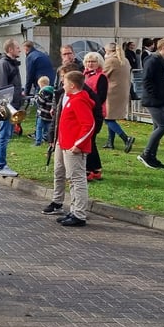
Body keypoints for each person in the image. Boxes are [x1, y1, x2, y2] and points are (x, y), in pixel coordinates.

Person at [43, 69, 95, 227]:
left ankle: (79, 214)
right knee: (70, 178)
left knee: (76, 179)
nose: (62, 85)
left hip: (74, 146)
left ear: (72, 85)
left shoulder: (79, 100)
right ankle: (74, 210)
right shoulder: (73, 98)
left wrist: (78, 144)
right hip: (65, 143)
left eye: (64, 83)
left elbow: (88, 124)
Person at [138, 38, 164, 169]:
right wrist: (155, 95)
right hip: (154, 101)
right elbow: (147, 80)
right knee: (163, 126)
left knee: (158, 127)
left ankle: (152, 157)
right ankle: (146, 153)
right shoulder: (152, 60)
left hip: (162, 100)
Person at [0, 39, 23, 178]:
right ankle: (0, 165)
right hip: (6, 106)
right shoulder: (3, 63)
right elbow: (2, 86)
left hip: (14, 104)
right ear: (10, 50)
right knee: (4, 136)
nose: (20, 50)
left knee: (7, 135)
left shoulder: (12, 63)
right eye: (17, 48)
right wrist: (6, 106)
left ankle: (1, 163)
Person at [102, 42, 135, 153]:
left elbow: (102, 76)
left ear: (110, 51)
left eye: (106, 52)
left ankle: (126, 138)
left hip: (111, 93)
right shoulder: (125, 60)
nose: (105, 54)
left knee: (107, 118)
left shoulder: (110, 61)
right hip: (122, 92)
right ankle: (110, 142)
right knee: (111, 117)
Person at [81, 52, 108, 181]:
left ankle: (91, 169)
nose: (90, 64)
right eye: (87, 61)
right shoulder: (83, 75)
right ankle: (95, 168)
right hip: (84, 111)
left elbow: (102, 97)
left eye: (93, 62)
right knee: (90, 141)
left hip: (95, 112)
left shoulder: (101, 77)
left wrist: (90, 105)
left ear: (99, 63)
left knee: (89, 140)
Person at [33, 76, 55, 147]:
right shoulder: (53, 91)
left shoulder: (44, 91)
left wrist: (36, 97)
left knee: (39, 127)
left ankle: (38, 141)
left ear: (41, 85)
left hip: (42, 114)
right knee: (48, 128)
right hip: (50, 114)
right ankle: (49, 140)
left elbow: (40, 102)